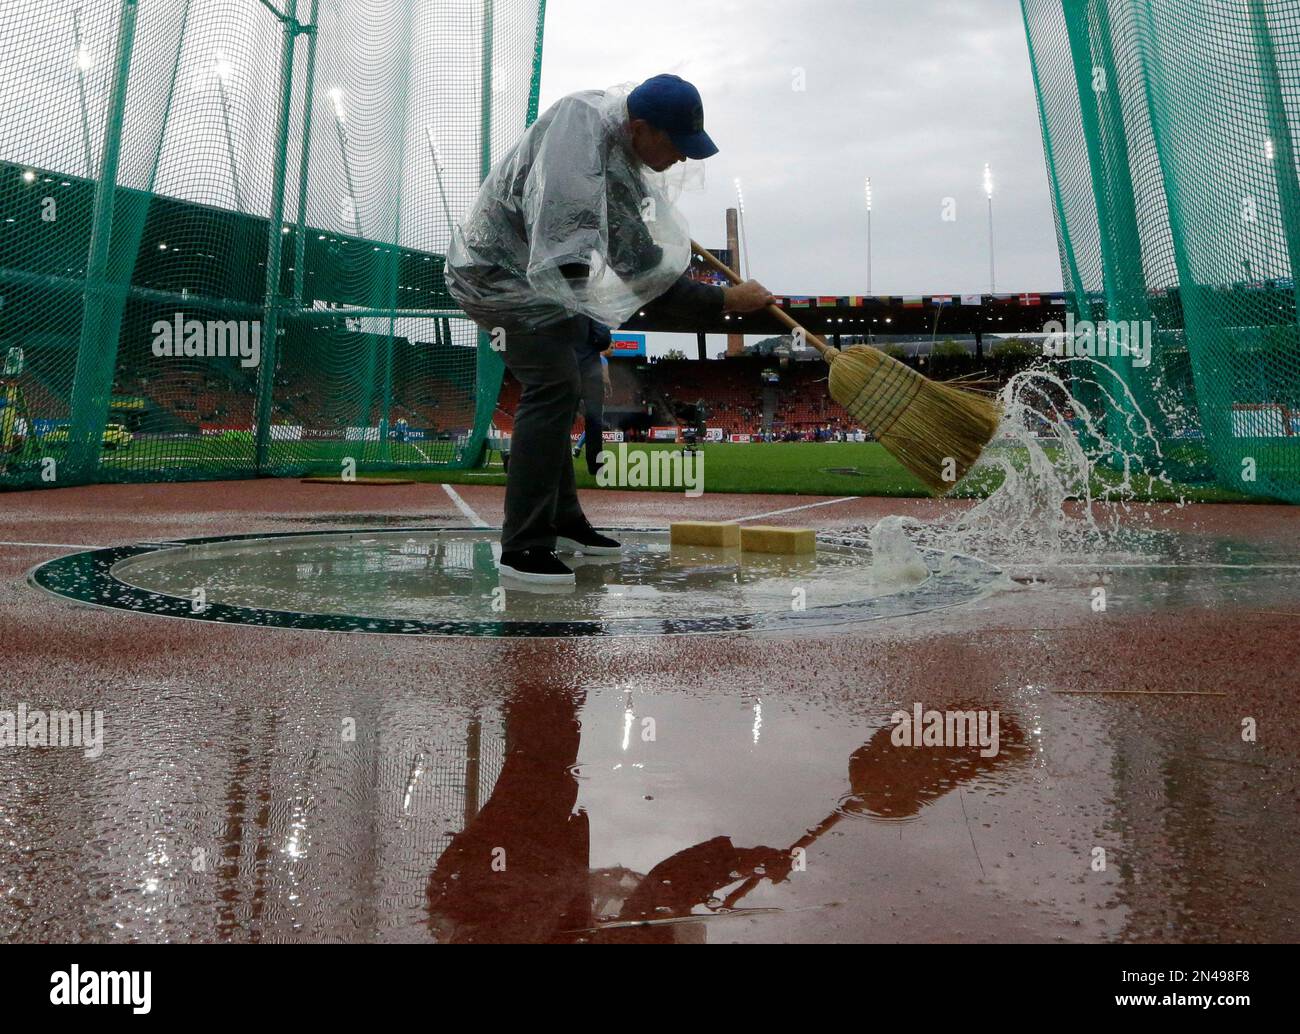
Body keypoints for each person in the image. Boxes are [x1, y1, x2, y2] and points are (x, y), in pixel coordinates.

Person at [447, 74, 772, 583]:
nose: (682, 159)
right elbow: (630, 283)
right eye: (676, 145)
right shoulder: (580, 130)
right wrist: (730, 300)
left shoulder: (619, 157)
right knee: (553, 384)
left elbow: (641, 267)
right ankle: (523, 548)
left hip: (542, 284)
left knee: (566, 382)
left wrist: (701, 291)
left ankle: (564, 520)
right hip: (497, 277)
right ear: (640, 127)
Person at [572, 322, 612, 477]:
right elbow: (604, 339)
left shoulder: (563, 308)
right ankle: (595, 467)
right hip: (590, 372)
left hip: (567, 368)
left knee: (563, 419)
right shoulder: (590, 311)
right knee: (594, 421)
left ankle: (557, 463)